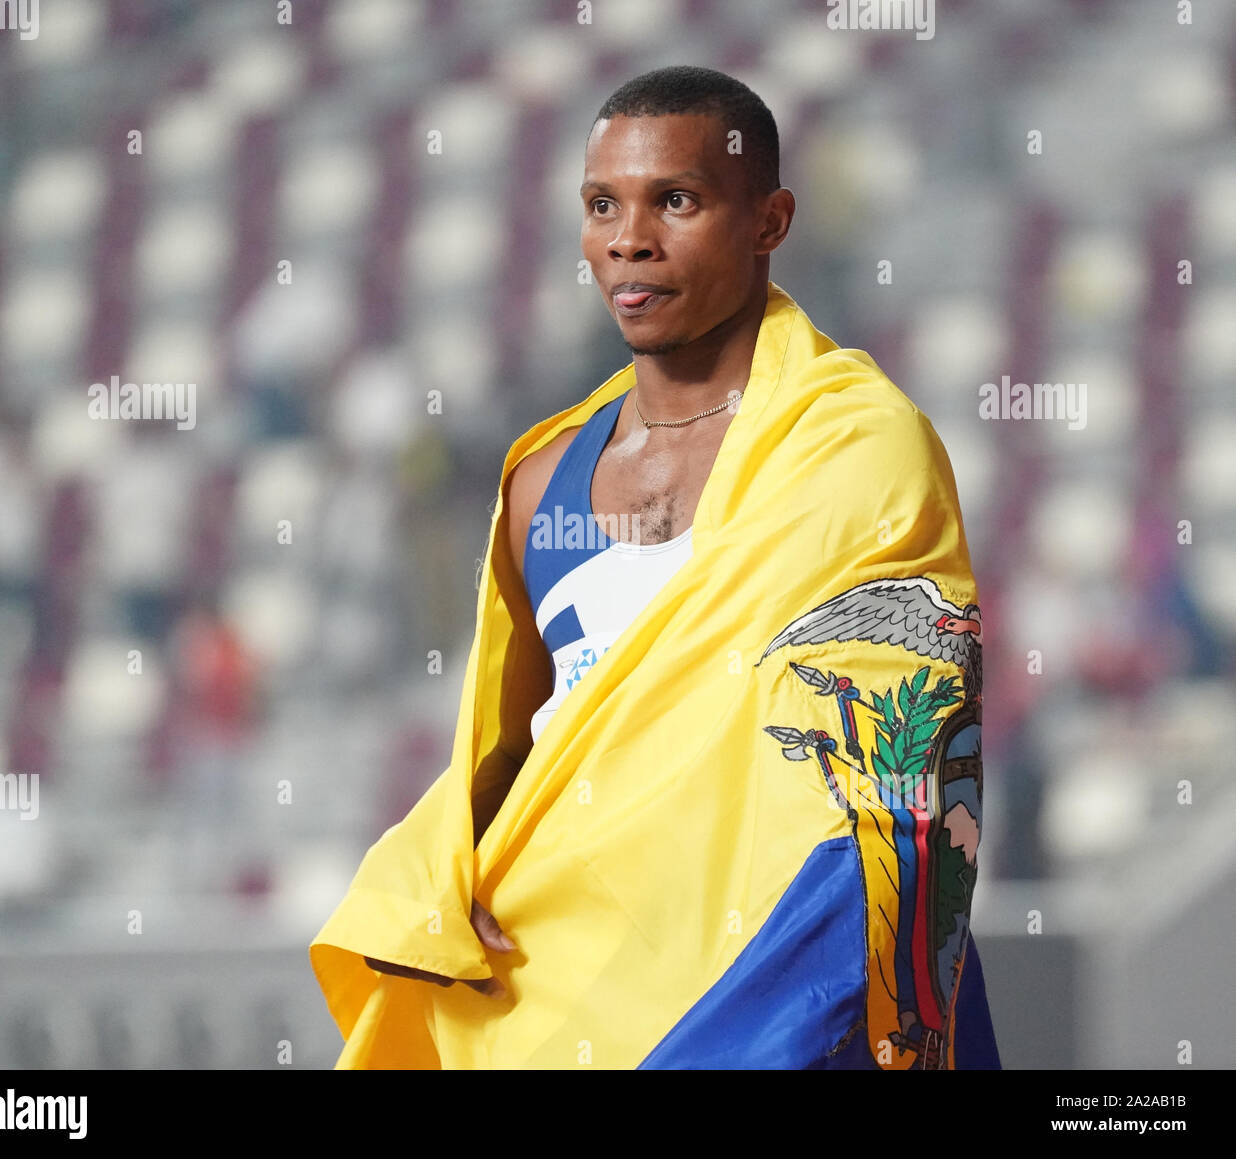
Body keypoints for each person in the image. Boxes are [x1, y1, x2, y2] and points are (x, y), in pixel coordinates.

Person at [312, 65, 1000, 1069]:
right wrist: (441, 878)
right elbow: (506, 767)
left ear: (769, 220)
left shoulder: (857, 447)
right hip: (562, 1000)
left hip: (777, 994)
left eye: (674, 200)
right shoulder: (540, 485)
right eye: (602, 205)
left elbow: (897, 765)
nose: (628, 238)